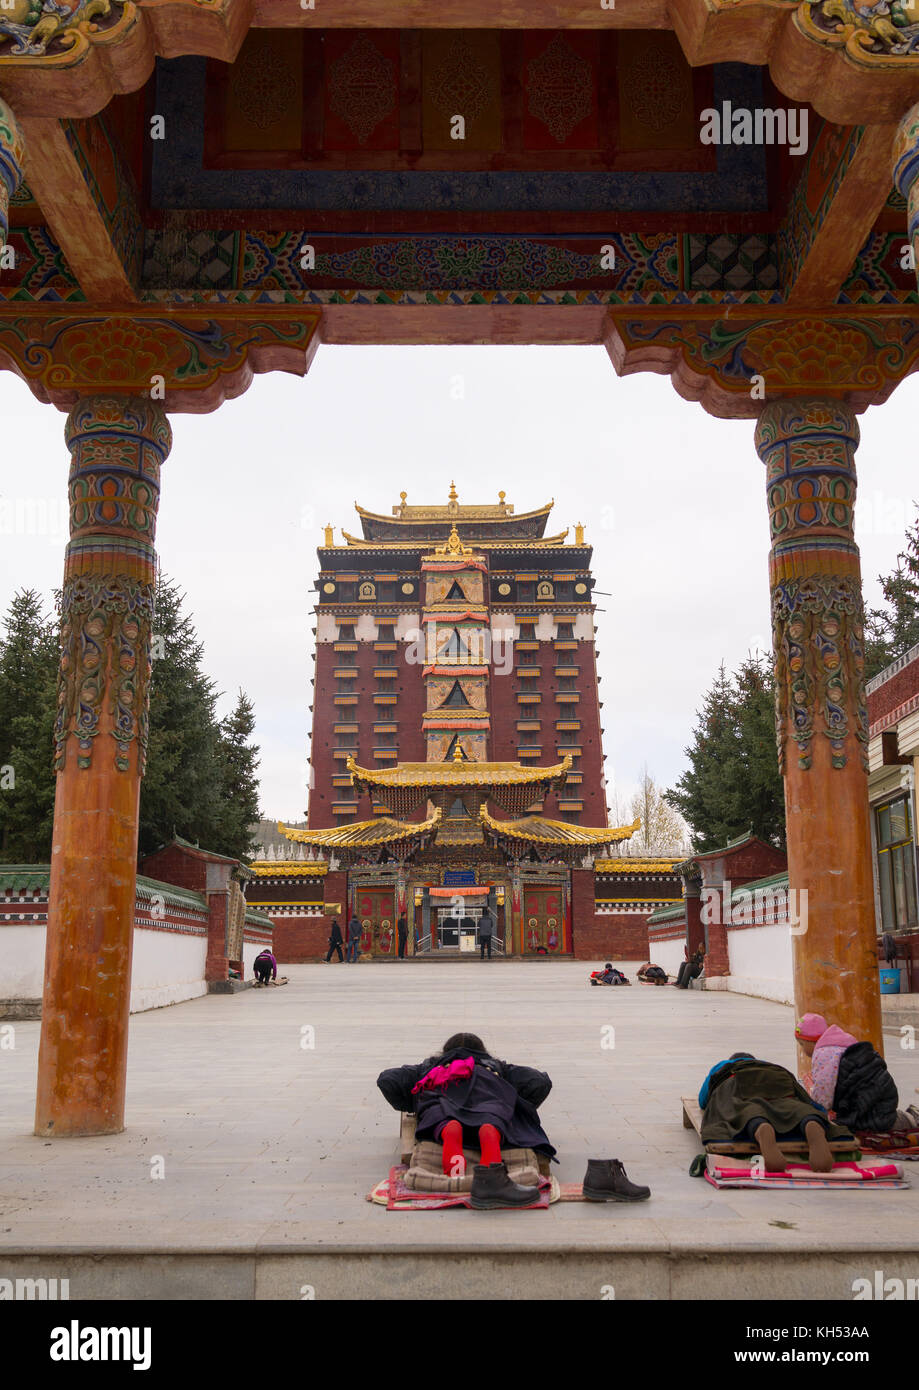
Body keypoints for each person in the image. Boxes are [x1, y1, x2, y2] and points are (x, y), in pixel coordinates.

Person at [377, 1031, 554, 1207]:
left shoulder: (433, 1066)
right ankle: (491, 1143)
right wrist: (512, 1091)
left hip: (445, 1093)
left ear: (445, 1051)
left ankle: (448, 1131)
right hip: (488, 1090)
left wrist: (412, 1101)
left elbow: (388, 1080)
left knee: (439, 1113)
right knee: (495, 1114)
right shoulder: (494, 1066)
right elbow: (539, 1082)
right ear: (482, 1051)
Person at [699, 1051, 854, 1172]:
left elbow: (703, 1098)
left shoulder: (724, 1065)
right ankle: (810, 1122)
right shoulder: (766, 1064)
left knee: (745, 1109)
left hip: (736, 1078)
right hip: (776, 1077)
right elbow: (803, 1096)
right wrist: (817, 1112)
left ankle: (760, 1127)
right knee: (790, 1105)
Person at [795, 1013, 919, 1133]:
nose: (802, 1049)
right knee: (882, 1116)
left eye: (802, 1044)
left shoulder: (823, 1052)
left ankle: (910, 1119)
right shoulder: (841, 1044)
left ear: (812, 1041)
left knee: (867, 1123)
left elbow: (824, 1089)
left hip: (868, 1100)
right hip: (882, 1093)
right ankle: (908, 1117)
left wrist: (817, 1111)